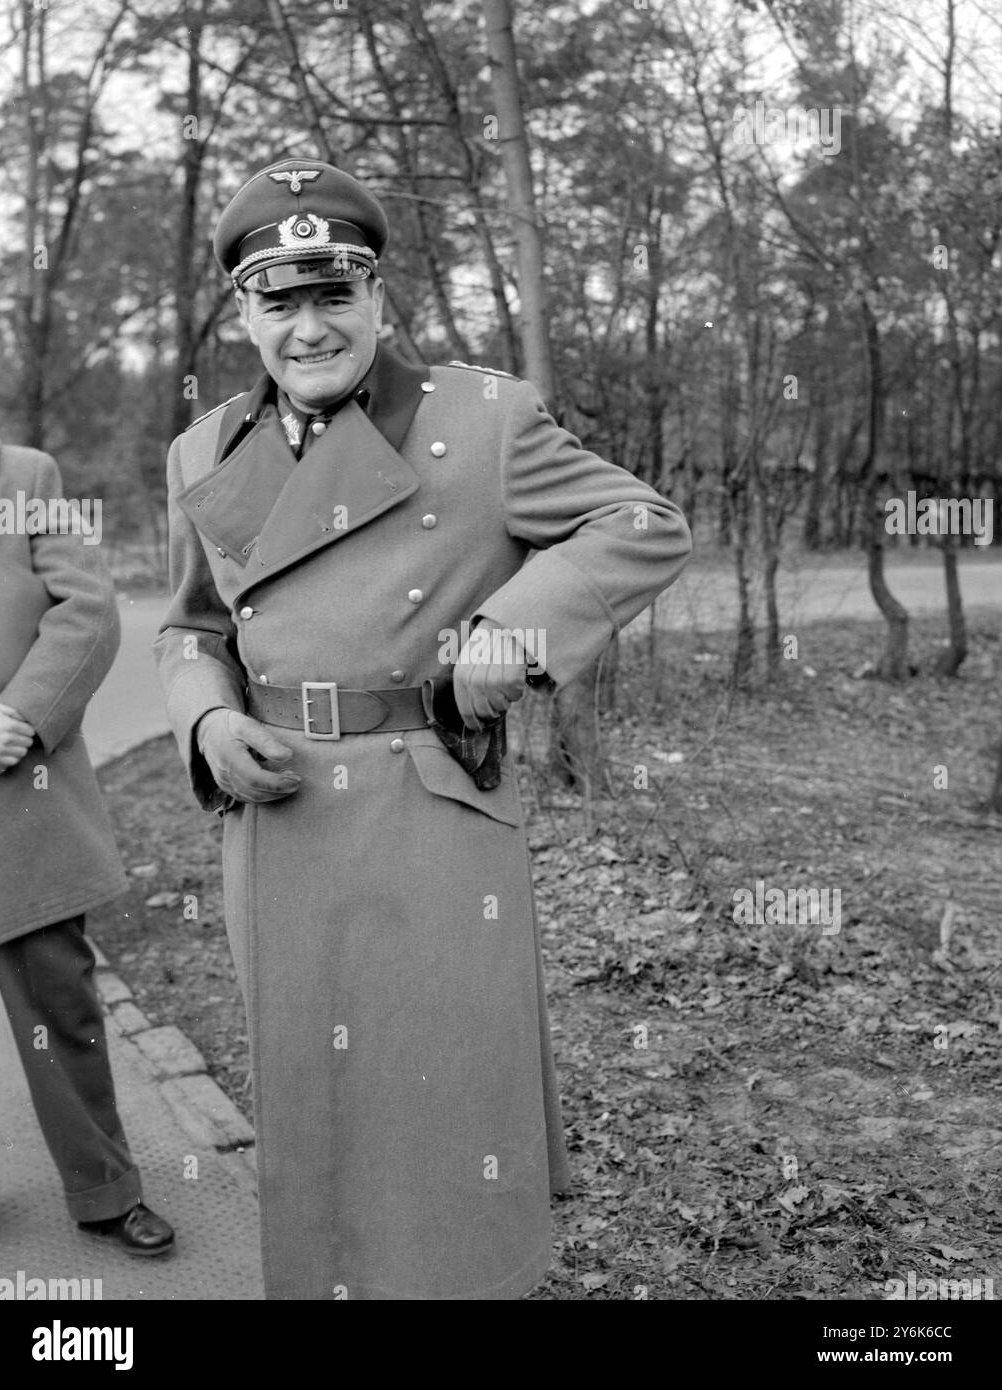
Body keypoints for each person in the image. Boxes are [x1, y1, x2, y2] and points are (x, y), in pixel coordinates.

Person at [154, 157, 692, 1299]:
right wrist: (204, 718)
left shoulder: (481, 419)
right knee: (314, 1098)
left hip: (428, 810)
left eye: (332, 295)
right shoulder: (203, 450)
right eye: (279, 302)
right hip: (279, 814)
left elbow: (644, 522)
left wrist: (508, 631)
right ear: (245, 315)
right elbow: (189, 627)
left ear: (379, 301)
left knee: (444, 1097)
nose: (310, 328)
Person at [0, 430, 174, 1256]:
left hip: (22, 794)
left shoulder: (26, 476)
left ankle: (105, 1188)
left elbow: (89, 610)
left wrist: (17, 717)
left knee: (59, 1005)